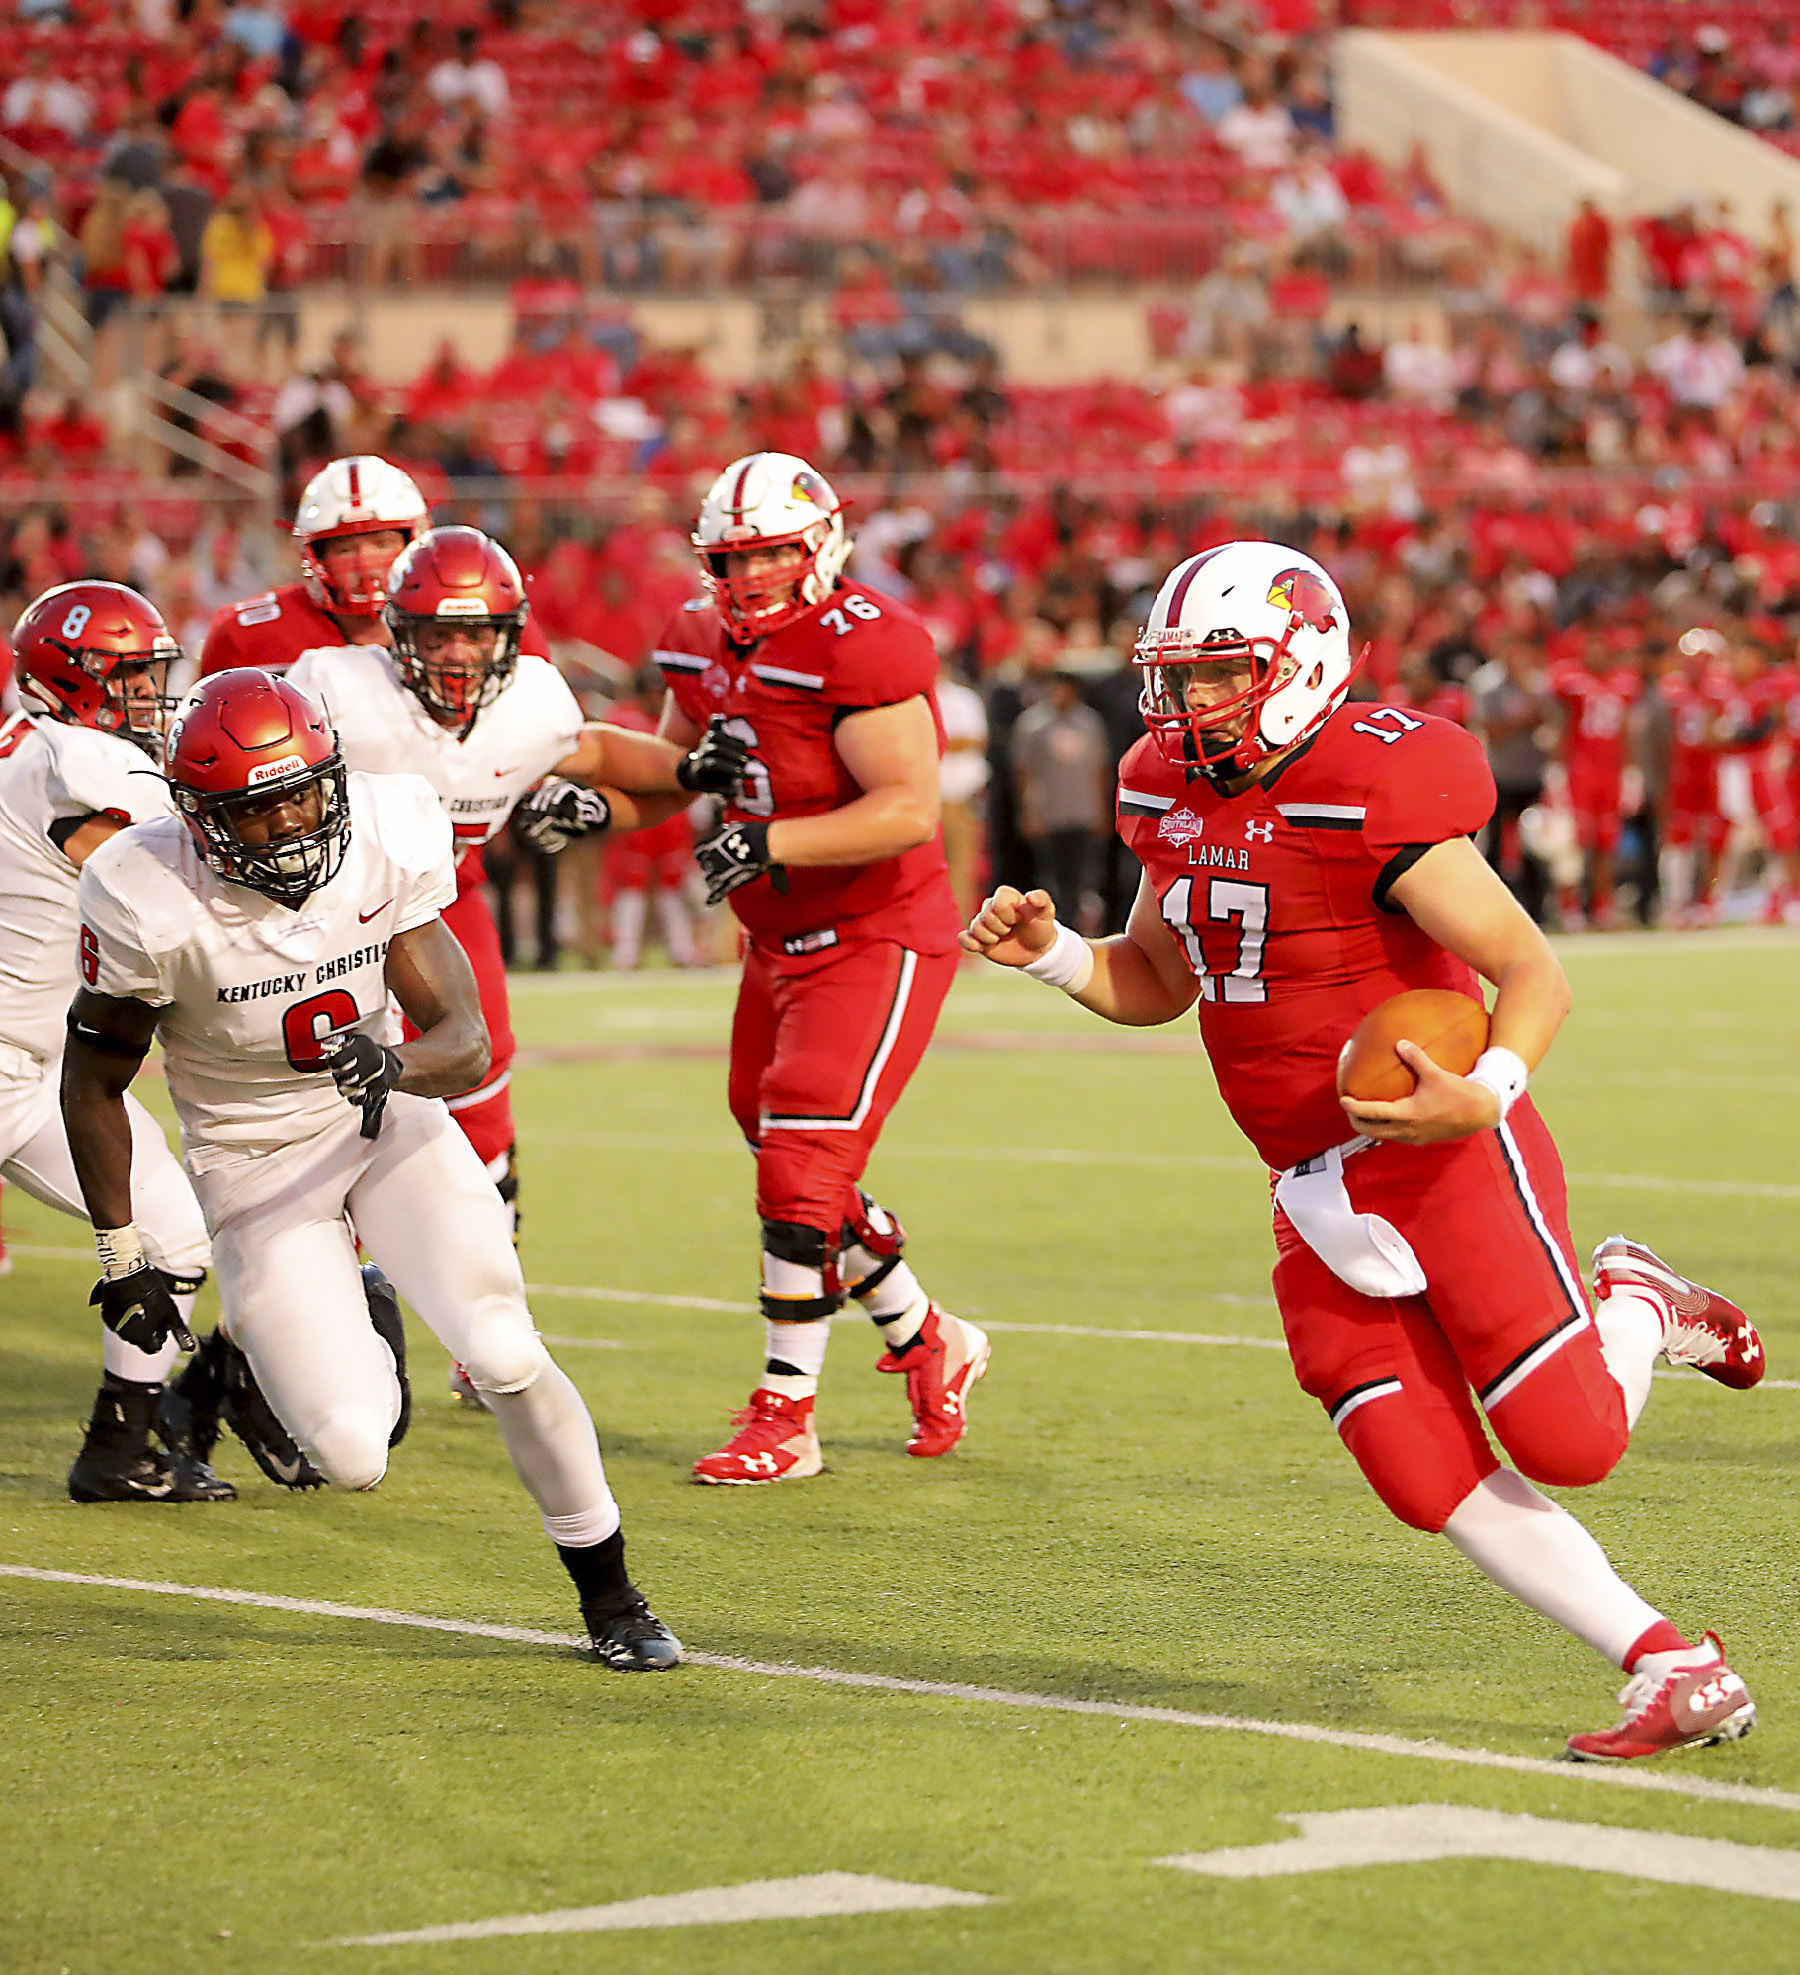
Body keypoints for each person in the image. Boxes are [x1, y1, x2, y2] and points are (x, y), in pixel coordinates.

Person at [963, 539, 1762, 1763]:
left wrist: (1486, 1093)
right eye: (1179, 676)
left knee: (1573, 1441)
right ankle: (1672, 1663)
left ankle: (1643, 1302)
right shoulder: (1161, 786)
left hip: (1443, 1150)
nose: (1192, 704)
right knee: (1409, 1459)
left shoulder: (1372, 783)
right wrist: (1057, 956)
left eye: (1223, 673)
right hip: (1310, 1180)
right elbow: (1157, 979)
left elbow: (1527, 969)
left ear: (1302, 660)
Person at [61, 668, 680, 1670]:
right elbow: (93, 1081)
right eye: (256, 809)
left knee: (505, 1351)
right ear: (200, 816)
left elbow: (467, 1041)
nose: (290, 821)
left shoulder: (388, 833)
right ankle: (339, 1310)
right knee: (353, 1451)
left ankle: (613, 1598)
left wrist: (397, 1063)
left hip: (385, 1121)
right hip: (255, 1167)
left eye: (303, 791)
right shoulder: (147, 893)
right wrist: (123, 1247)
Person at [643, 451, 989, 1482]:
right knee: (786, 1149)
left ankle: (786, 1414)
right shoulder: (696, 638)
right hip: (773, 941)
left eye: (773, 556)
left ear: (822, 544)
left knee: (799, 1160)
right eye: (734, 559)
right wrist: (593, 799)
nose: (751, 579)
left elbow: (906, 807)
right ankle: (926, 1332)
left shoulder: (862, 643)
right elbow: (672, 767)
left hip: (877, 933)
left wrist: (772, 842)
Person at [0, 582, 232, 1502]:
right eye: (130, 674)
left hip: (37, 1064)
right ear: (73, 681)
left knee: (172, 1230)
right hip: (12, 1058)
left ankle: (122, 1447)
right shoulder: (77, 757)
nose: (150, 691)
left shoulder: (32, 743)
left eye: (152, 671)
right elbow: (185, 877)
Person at [1010, 669, 1110, 928]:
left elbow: (1100, 770)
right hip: (1048, 811)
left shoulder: (1090, 722)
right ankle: (1049, 927)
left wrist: (1101, 810)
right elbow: (1024, 772)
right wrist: (1028, 811)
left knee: (1081, 877)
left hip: (1082, 810)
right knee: (1050, 876)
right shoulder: (1032, 724)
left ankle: (1077, 926)